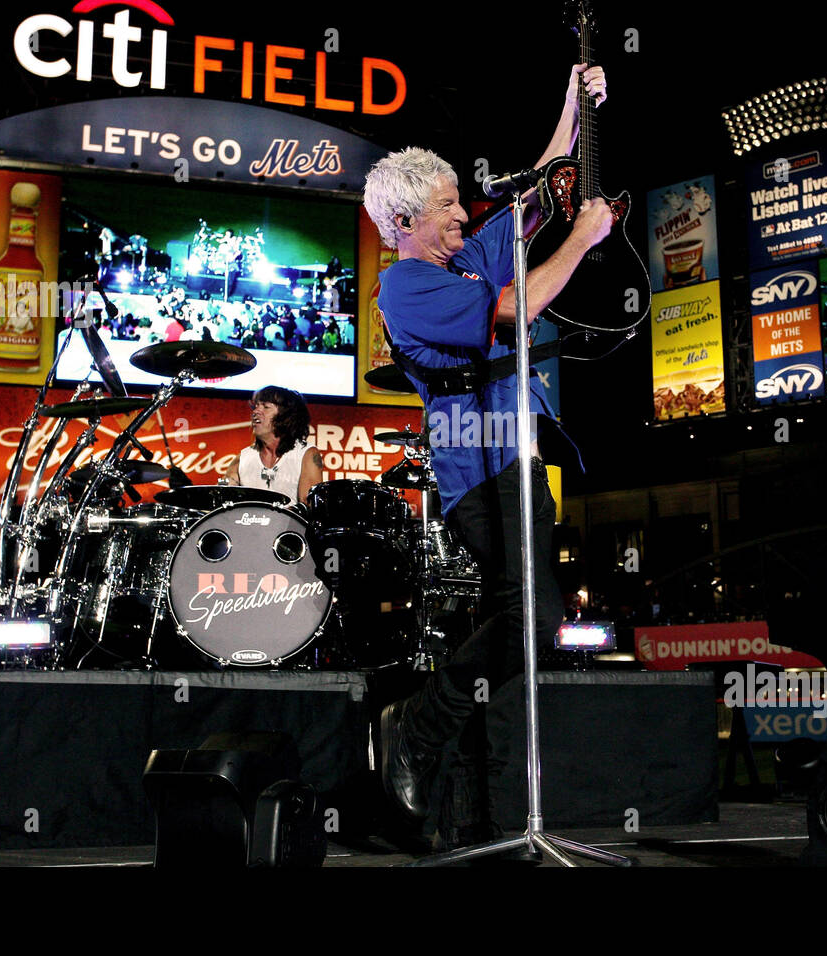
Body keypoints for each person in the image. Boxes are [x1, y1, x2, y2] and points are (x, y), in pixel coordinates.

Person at [362, 63, 611, 848]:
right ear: (405, 221)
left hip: (521, 457)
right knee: (529, 619)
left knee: (532, 621)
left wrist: (573, 103)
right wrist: (583, 237)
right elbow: (515, 308)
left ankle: (432, 740)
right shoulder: (403, 286)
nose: (463, 213)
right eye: (444, 207)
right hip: (476, 468)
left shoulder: (471, 248)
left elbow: (537, 188)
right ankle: (416, 729)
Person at [230, 386, 324, 506]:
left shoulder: (307, 454)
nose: (256, 411)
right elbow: (223, 498)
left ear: (286, 416)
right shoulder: (243, 458)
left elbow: (308, 506)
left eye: (265, 407)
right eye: (256, 406)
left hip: (290, 524)